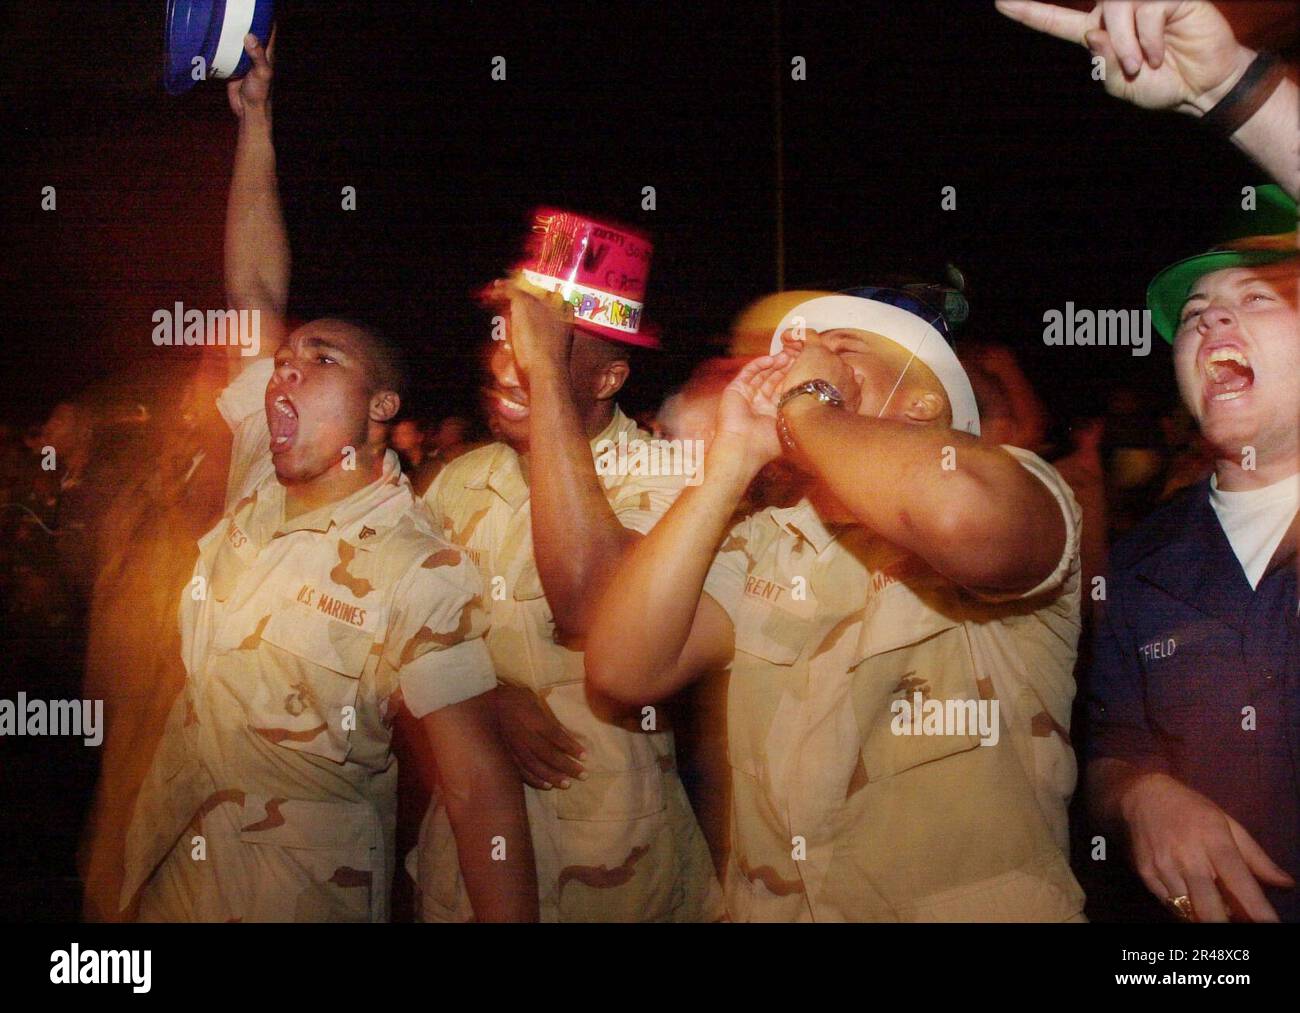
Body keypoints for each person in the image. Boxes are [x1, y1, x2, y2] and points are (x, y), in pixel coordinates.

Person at [119, 34, 536, 922]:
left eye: (322, 357)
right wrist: (257, 122)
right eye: (284, 361)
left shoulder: (418, 567)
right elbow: (257, 295)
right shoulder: (255, 480)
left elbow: (479, 794)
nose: (284, 367)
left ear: (382, 407)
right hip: (169, 872)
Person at [587, 285, 1087, 921]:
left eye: (840, 348)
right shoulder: (765, 540)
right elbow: (623, 667)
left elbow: (959, 514)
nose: (802, 363)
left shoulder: (1009, 479)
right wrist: (728, 467)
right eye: (797, 355)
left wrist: (812, 406)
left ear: (922, 401)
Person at [999, 0, 1299, 922]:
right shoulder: (1143, 558)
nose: (1211, 320)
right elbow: (1115, 744)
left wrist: (1236, 90)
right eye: (1195, 311)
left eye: (1255, 296)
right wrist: (1140, 796)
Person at [410, 211, 722, 922]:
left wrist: (543, 371)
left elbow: (598, 602)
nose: (507, 358)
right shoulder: (456, 483)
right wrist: (482, 699)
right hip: (465, 866)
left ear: (611, 375)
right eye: (508, 332)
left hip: (614, 868)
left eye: (546, 340)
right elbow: (380, 652)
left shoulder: (668, 477)